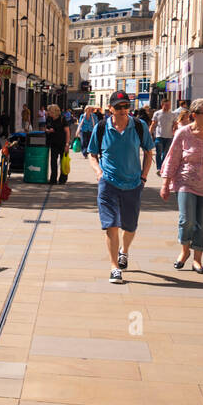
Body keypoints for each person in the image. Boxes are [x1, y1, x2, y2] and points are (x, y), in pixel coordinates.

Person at [87, 91, 155, 284]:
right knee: (111, 225)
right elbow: (92, 154)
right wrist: (99, 173)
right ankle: (114, 267)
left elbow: (149, 151)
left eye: (126, 106)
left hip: (133, 183)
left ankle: (124, 251)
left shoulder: (139, 126)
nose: (124, 110)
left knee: (130, 225)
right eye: (119, 107)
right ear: (110, 109)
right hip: (108, 183)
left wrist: (143, 177)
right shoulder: (101, 128)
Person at [159, 97, 203, 273]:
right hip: (186, 182)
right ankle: (184, 252)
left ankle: (197, 260)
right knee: (187, 220)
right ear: (194, 115)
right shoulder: (183, 133)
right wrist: (165, 183)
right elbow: (173, 158)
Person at [44, 105, 70, 184]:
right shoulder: (49, 119)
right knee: (53, 162)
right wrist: (48, 130)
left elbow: (67, 132)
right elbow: (45, 128)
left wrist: (67, 144)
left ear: (53, 112)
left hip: (62, 143)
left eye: (49, 111)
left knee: (63, 161)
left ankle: (63, 179)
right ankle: (53, 179)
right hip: (53, 143)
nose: (48, 112)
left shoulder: (62, 119)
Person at [149, 99, 175, 170]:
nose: (168, 106)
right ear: (162, 105)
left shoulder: (173, 114)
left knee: (166, 153)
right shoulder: (157, 113)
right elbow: (153, 124)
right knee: (159, 152)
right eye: (166, 105)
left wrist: (175, 132)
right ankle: (159, 167)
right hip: (159, 136)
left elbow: (175, 124)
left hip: (169, 136)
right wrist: (149, 134)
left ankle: (163, 166)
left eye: (169, 105)